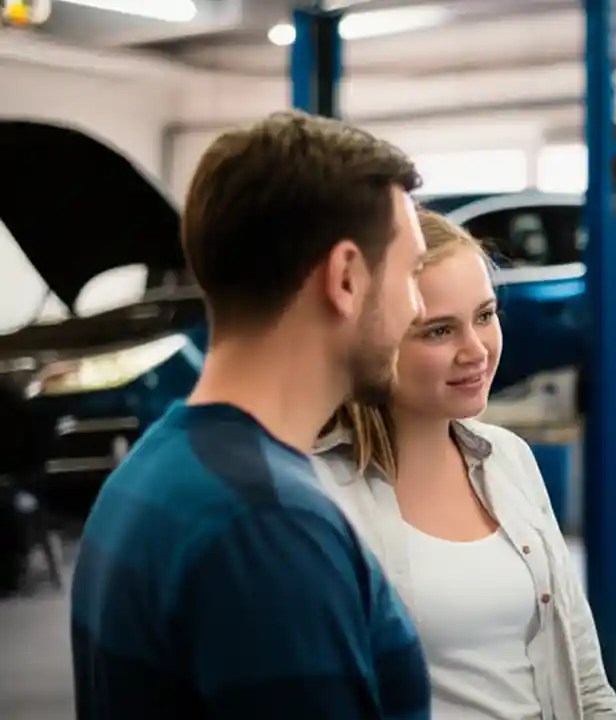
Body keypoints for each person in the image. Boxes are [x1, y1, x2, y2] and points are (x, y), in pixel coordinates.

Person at [70, 111, 433, 719]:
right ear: (345, 278)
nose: (418, 308)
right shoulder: (270, 526)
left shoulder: (151, 472)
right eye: (412, 272)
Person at [311, 210, 616, 720]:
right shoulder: (320, 494)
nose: (476, 350)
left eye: (485, 315)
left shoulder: (509, 459)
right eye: (439, 331)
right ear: (376, 337)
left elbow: (585, 677)